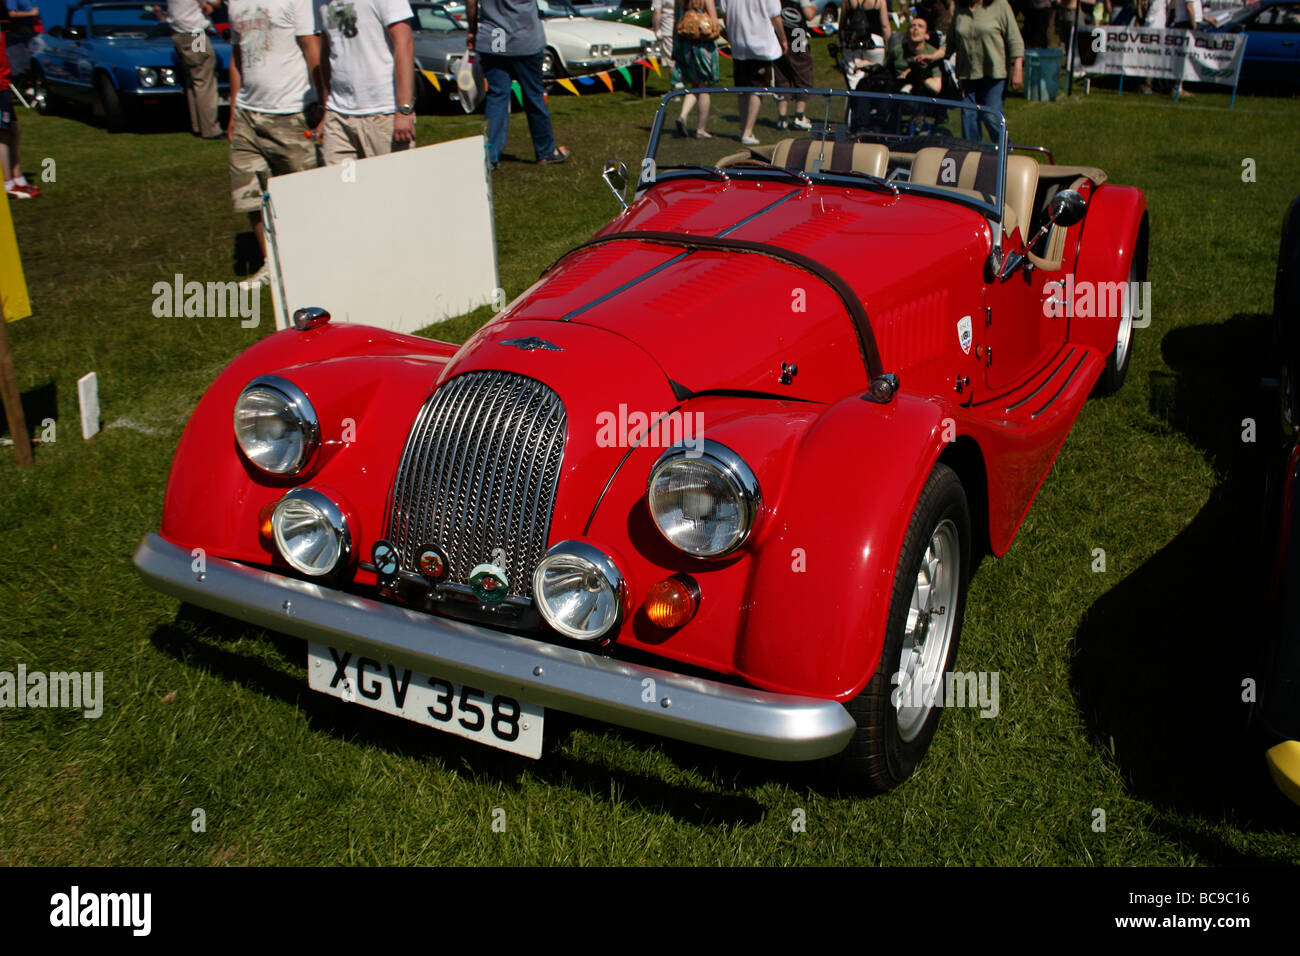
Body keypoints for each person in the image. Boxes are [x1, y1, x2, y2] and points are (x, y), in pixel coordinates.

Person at [227, 0, 325, 288]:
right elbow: (237, 56)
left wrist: (323, 103)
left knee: (305, 197)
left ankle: (311, 263)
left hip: (291, 111)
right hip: (247, 113)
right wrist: (234, 108)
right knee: (251, 195)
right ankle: (271, 265)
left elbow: (311, 47)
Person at [467, 0, 569, 169]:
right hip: (525, 37)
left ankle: (491, 155)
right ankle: (545, 152)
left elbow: (471, 3)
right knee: (534, 95)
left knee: (497, 96)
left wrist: (472, 30)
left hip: (494, 37)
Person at [315, 0, 416, 163]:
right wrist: (326, 108)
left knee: (391, 184)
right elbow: (327, 51)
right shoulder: (320, 3)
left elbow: (404, 43)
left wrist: (404, 109)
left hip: (383, 114)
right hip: (338, 115)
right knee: (342, 184)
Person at [952, 0, 1022, 142]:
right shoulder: (960, 8)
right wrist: (932, 56)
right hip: (967, 73)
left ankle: (1004, 152)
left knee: (991, 117)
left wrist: (1018, 69)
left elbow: (1015, 40)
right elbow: (951, 40)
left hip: (994, 74)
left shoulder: (1000, 6)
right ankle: (972, 154)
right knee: (968, 116)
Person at [723, 0, 787, 146]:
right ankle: (747, 131)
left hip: (739, 44)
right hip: (760, 45)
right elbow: (775, 16)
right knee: (756, 88)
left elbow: (726, 15)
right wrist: (783, 39)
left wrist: (732, 36)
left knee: (743, 89)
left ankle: (743, 128)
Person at [168, 0, 223, 138]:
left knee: (193, 80)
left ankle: (198, 125)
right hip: (195, 35)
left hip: (179, 33)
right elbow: (216, 3)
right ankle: (211, 129)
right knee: (204, 80)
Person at [673, 0, 721, 137]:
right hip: (702, 44)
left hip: (685, 44)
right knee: (704, 87)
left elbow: (677, 20)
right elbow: (714, 21)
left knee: (695, 83)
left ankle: (683, 115)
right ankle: (701, 128)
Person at [0, 26, 37, 198]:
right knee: (3, 134)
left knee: (14, 128)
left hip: (4, 85)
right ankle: (8, 183)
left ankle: (17, 176)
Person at [774, 0, 816, 129]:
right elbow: (809, 15)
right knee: (803, 75)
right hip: (798, 39)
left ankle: (782, 118)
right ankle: (799, 115)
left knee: (781, 76)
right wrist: (813, 7)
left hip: (779, 39)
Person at [890, 15, 942, 93]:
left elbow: (936, 88)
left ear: (927, 35)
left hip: (922, 95)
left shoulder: (933, 54)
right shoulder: (897, 50)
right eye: (912, 26)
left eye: (920, 26)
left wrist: (918, 74)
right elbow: (886, 72)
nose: (916, 28)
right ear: (907, 34)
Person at [2, 0, 39, 84]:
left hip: (31, 31)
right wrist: (32, 13)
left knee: (30, 62)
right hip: (18, 32)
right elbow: (12, 14)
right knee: (18, 66)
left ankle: (29, 84)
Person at [651, 0, 680, 89]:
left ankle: (674, 91)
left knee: (672, 62)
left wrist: (656, 30)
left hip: (668, 29)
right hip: (682, 28)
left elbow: (657, 12)